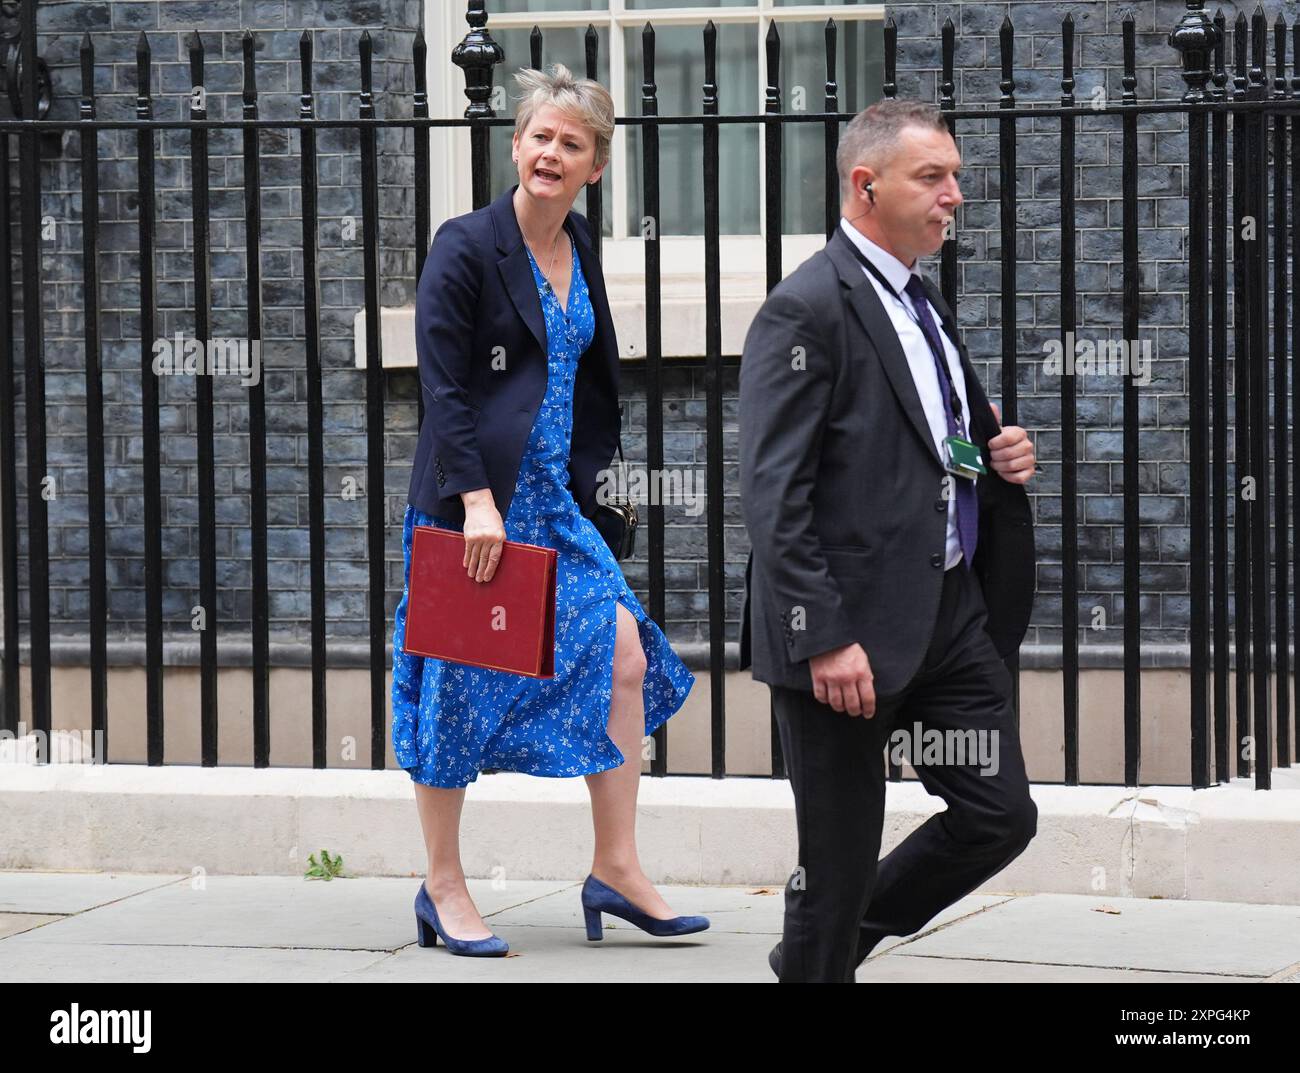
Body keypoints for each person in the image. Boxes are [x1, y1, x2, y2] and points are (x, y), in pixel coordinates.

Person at [392, 63, 707, 957]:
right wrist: (478, 505)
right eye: (540, 136)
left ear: (594, 166)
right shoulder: (465, 245)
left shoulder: (582, 246)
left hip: (555, 507)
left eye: (572, 143)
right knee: (457, 687)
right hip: (475, 508)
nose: (551, 153)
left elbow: (589, 377)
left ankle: (615, 865)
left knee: (624, 651)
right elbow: (445, 390)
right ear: (517, 144)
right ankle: (443, 884)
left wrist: (594, 485)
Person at [738, 98, 1039, 983]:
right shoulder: (805, 310)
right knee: (833, 859)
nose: (955, 194)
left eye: (955, 176)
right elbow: (773, 492)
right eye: (933, 177)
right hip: (847, 631)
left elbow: (929, 440)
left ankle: (814, 952)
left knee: (998, 817)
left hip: (950, 617)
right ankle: (820, 950)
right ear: (866, 186)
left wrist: (995, 452)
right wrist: (822, 633)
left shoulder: (922, 298)